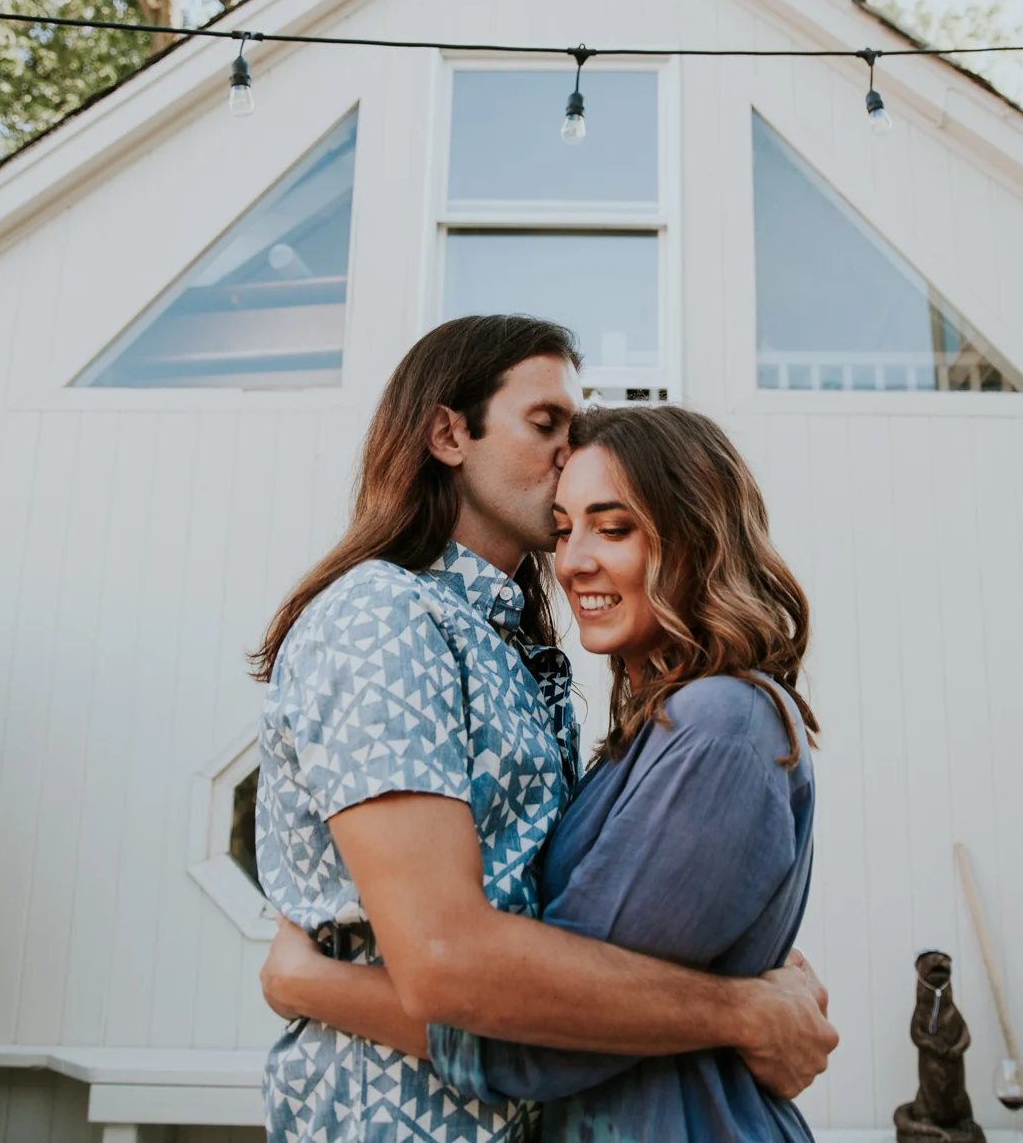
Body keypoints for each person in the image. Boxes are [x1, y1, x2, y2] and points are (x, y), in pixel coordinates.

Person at [251, 318, 835, 1143]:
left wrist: (747, 981)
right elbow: (445, 956)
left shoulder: (527, 655)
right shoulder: (384, 619)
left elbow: (598, 945)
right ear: (449, 435)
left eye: (613, 524)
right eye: (546, 422)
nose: (572, 448)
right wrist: (741, 1009)